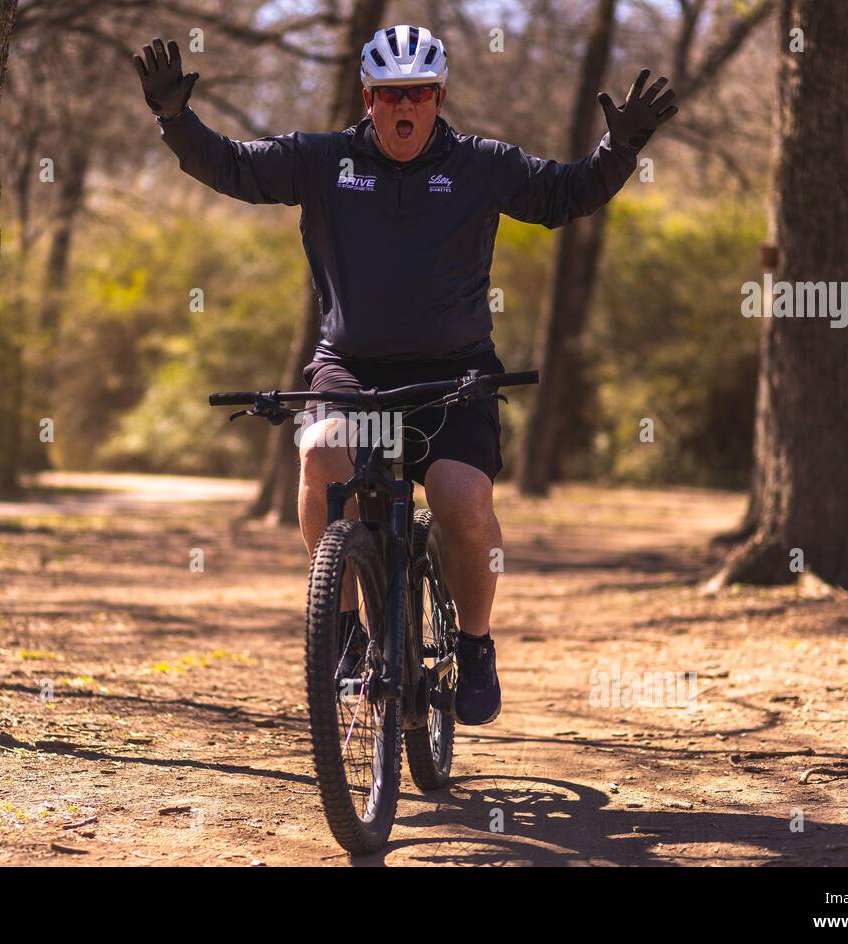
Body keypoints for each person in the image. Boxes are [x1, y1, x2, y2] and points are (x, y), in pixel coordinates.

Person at [135, 25, 677, 725]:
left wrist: (620, 149)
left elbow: (562, 196)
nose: (404, 105)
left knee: (461, 499)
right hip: (350, 370)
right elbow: (234, 167)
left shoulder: (479, 164)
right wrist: (174, 121)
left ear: (438, 96)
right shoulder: (323, 161)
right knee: (322, 455)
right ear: (368, 98)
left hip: (456, 378)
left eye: (418, 93)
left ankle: (475, 646)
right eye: (390, 93)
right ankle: (349, 621)